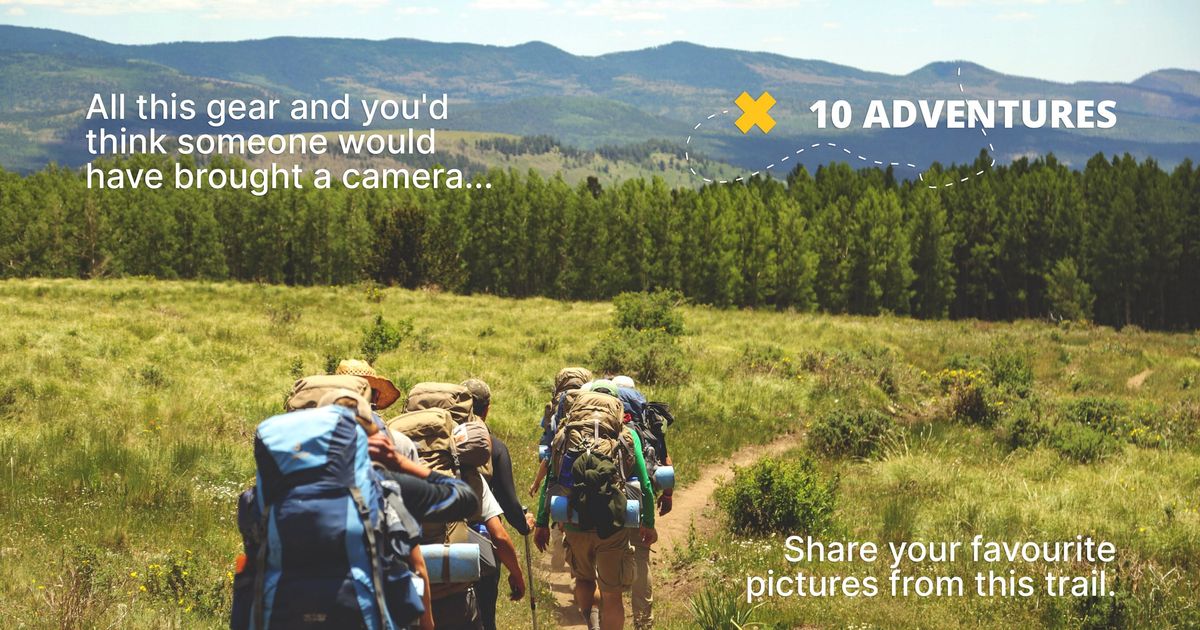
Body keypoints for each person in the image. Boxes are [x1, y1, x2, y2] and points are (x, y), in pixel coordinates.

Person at [533, 380, 657, 630]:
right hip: (612, 524)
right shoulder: (626, 433)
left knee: (584, 580)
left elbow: (551, 481)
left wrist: (541, 522)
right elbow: (645, 484)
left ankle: (591, 622)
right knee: (612, 595)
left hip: (576, 522)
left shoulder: (567, 432)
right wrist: (648, 523)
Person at [461, 379, 535, 630]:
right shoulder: (495, 447)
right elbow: (507, 500)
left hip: (433, 544)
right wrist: (523, 525)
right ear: (487, 409)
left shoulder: (441, 447)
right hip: (482, 547)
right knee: (485, 618)